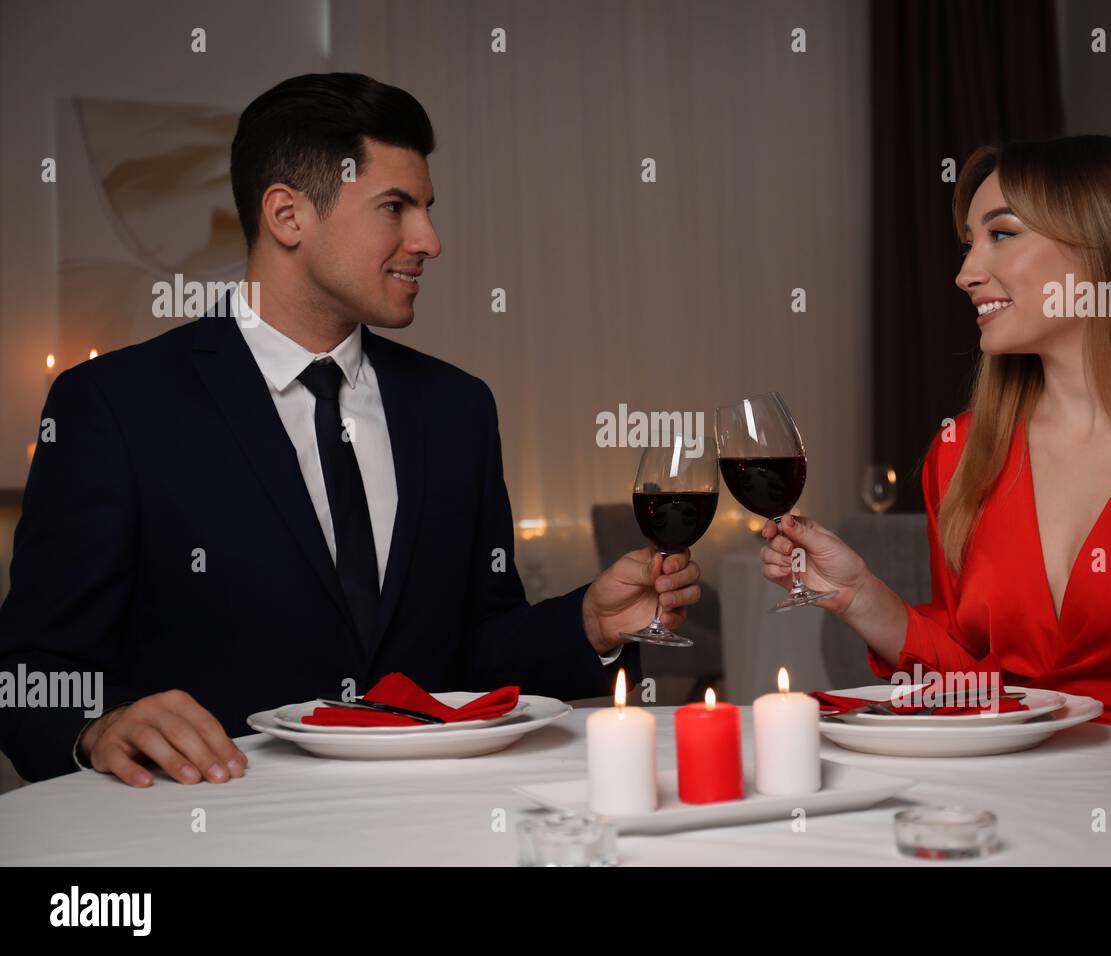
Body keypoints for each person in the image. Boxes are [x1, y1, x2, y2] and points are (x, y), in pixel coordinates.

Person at [0, 73, 701, 785]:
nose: (429, 239)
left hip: (436, 827)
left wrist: (589, 623)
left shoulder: (457, 408)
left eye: (426, 208)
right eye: (394, 207)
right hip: (213, 836)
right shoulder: (115, 406)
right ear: (287, 216)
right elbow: (29, 672)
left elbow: (477, 652)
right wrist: (95, 726)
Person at [761, 135, 1111, 760]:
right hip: (1012, 796)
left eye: (1002, 235)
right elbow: (974, 686)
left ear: (1101, 246)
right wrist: (861, 597)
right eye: (969, 243)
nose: (966, 273)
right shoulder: (961, 449)